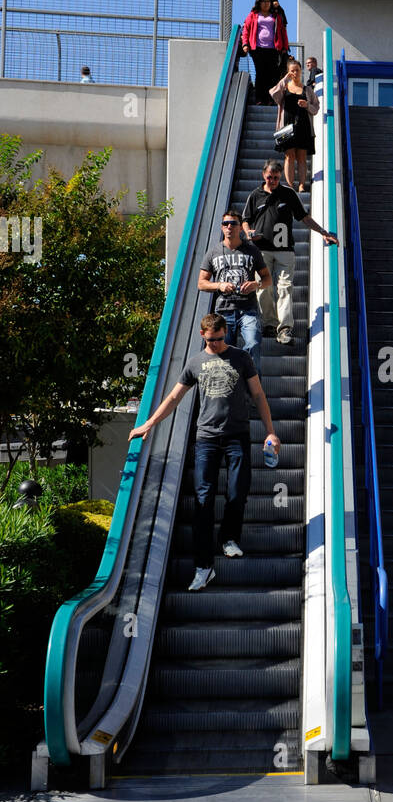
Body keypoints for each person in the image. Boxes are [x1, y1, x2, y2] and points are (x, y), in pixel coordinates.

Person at [129, 312, 281, 592]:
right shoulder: (195, 362)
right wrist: (149, 423)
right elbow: (175, 396)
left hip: (237, 435)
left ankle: (229, 538)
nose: (217, 344)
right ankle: (203, 567)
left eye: (221, 339)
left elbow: (258, 395)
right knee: (202, 500)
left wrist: (270, 431)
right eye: (212, 340)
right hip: (207, 438)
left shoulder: (241, 358)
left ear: (226, 333)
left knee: (237, 490)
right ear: (203, 335)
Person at [242, 159, 340, 345]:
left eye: (276, 178)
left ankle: (285, 328)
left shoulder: (288, 194)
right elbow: (246, 219)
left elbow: (304, 217)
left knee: (285, 288)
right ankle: (269, 323)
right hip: (262, 250)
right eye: (269, 177)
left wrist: (323, 233)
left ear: (280, 178)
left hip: (285, 250)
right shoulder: (255, 195)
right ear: (264, 175)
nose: (272, 181)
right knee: (263, 289)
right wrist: (248, 232)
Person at [198, 210, 271, 372]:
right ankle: (233, 390)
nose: (229, 226)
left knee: (253, 344)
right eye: (225, 224)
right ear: (221, 227)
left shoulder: (252, 250)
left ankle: (252, 390)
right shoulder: (213, 252)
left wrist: (255, 285)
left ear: (240, 228)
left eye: (233, 223)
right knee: (224, 354)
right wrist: (219, 285)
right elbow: (201, 283)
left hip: (249, 310)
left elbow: (267, 279)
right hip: (223, 311)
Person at [271, 59, 320, 192]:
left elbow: (316, 108)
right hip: (286, 126)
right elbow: (273, 93)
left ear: (301, 71)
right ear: (288, 72)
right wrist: (284, 79)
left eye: (297, 70)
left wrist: (307, 105)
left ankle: (302, 185)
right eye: (292, 70)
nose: (295, 73)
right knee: (289, 156)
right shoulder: (284, 88)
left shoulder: (308, 90)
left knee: (302, 157)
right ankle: (290, 185)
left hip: (303, 126)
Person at [241, 0, 289, 104]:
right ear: (259, 2)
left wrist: (284, 46)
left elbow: (282, 32)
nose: (266, 3)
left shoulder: (276, 16)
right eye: (263, 1)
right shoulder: (253, 15)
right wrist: (245, 44)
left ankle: (270, 99)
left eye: (268, 1)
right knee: (260, 73)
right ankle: (259, 99)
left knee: (272, 74)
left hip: (273, 49)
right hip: (257, 48)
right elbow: (246, 30)